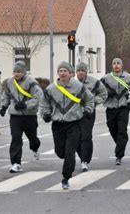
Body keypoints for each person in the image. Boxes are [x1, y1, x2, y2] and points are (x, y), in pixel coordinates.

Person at [40, 61, 94, 189]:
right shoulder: (51, 89)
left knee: (69, 152)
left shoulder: (78, 87)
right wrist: (46, 114)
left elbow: (89, 99)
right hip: (58, 124)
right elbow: (44, 103)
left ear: (70, 73)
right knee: (60, 152)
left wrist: (88, 110)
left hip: (74, 123)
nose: (62, 73)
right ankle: (69, 155)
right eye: (60, 71)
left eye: (65, 71)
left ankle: (66, 177)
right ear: (58, 73)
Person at [0, 61, 42, 173]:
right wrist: (3, 107)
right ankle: (16, 163)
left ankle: (35, 147)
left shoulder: (32, 82)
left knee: (32, 138)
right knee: (16, 138)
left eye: (18, 72)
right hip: (15, 116)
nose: (16, 74)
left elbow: (38, 97)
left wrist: (25, 105)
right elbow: (6, 95)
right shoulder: (9, 82)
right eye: (14, 71)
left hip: (29, 115)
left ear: (24, 72)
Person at [75, 62, 108, 171]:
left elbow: (103, 93)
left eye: (83, 71)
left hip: (88, 112)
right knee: (76, 137)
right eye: (79, 70)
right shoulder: (71, 82)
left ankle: (85, 160)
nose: (80, 73)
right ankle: (82, 155)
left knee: (86, 135)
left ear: (86, 72)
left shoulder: (94, 82)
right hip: (74, 113)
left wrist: (94, 102)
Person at [101, 58, 130, 165]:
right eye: (114, 63)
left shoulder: (129, 78)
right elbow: (99, 91)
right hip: (111, 108)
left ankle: (118, 155)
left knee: (121, 130)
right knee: (112, 129)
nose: (116, 65)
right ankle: (121, 141)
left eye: (118, 63)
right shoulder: (106, 78)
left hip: (123, 108)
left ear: (122, 66)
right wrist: (106, 94)